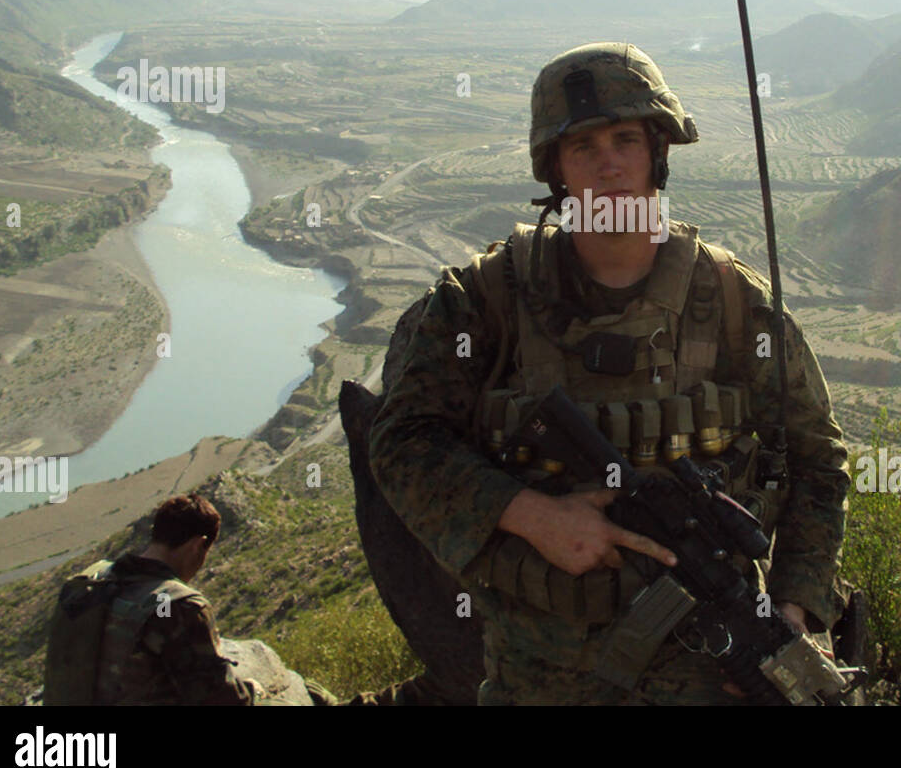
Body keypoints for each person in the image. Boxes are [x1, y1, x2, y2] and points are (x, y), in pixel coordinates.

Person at [368, 41, 850, 705]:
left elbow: (818, 461)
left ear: (660, 151)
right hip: (538, 681)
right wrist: (531, 514)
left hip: (713, 682)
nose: (609, 163)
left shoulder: (734, 303)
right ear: (556, 169)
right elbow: (401, 442)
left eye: (627, 138)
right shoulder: (488, 299)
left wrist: (795, 609)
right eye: (583, 146)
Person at [44, 493, 259, 706]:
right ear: (198, 545)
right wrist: (249, 691)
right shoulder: (175, 605)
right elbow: (219, 700)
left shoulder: (94, 581)